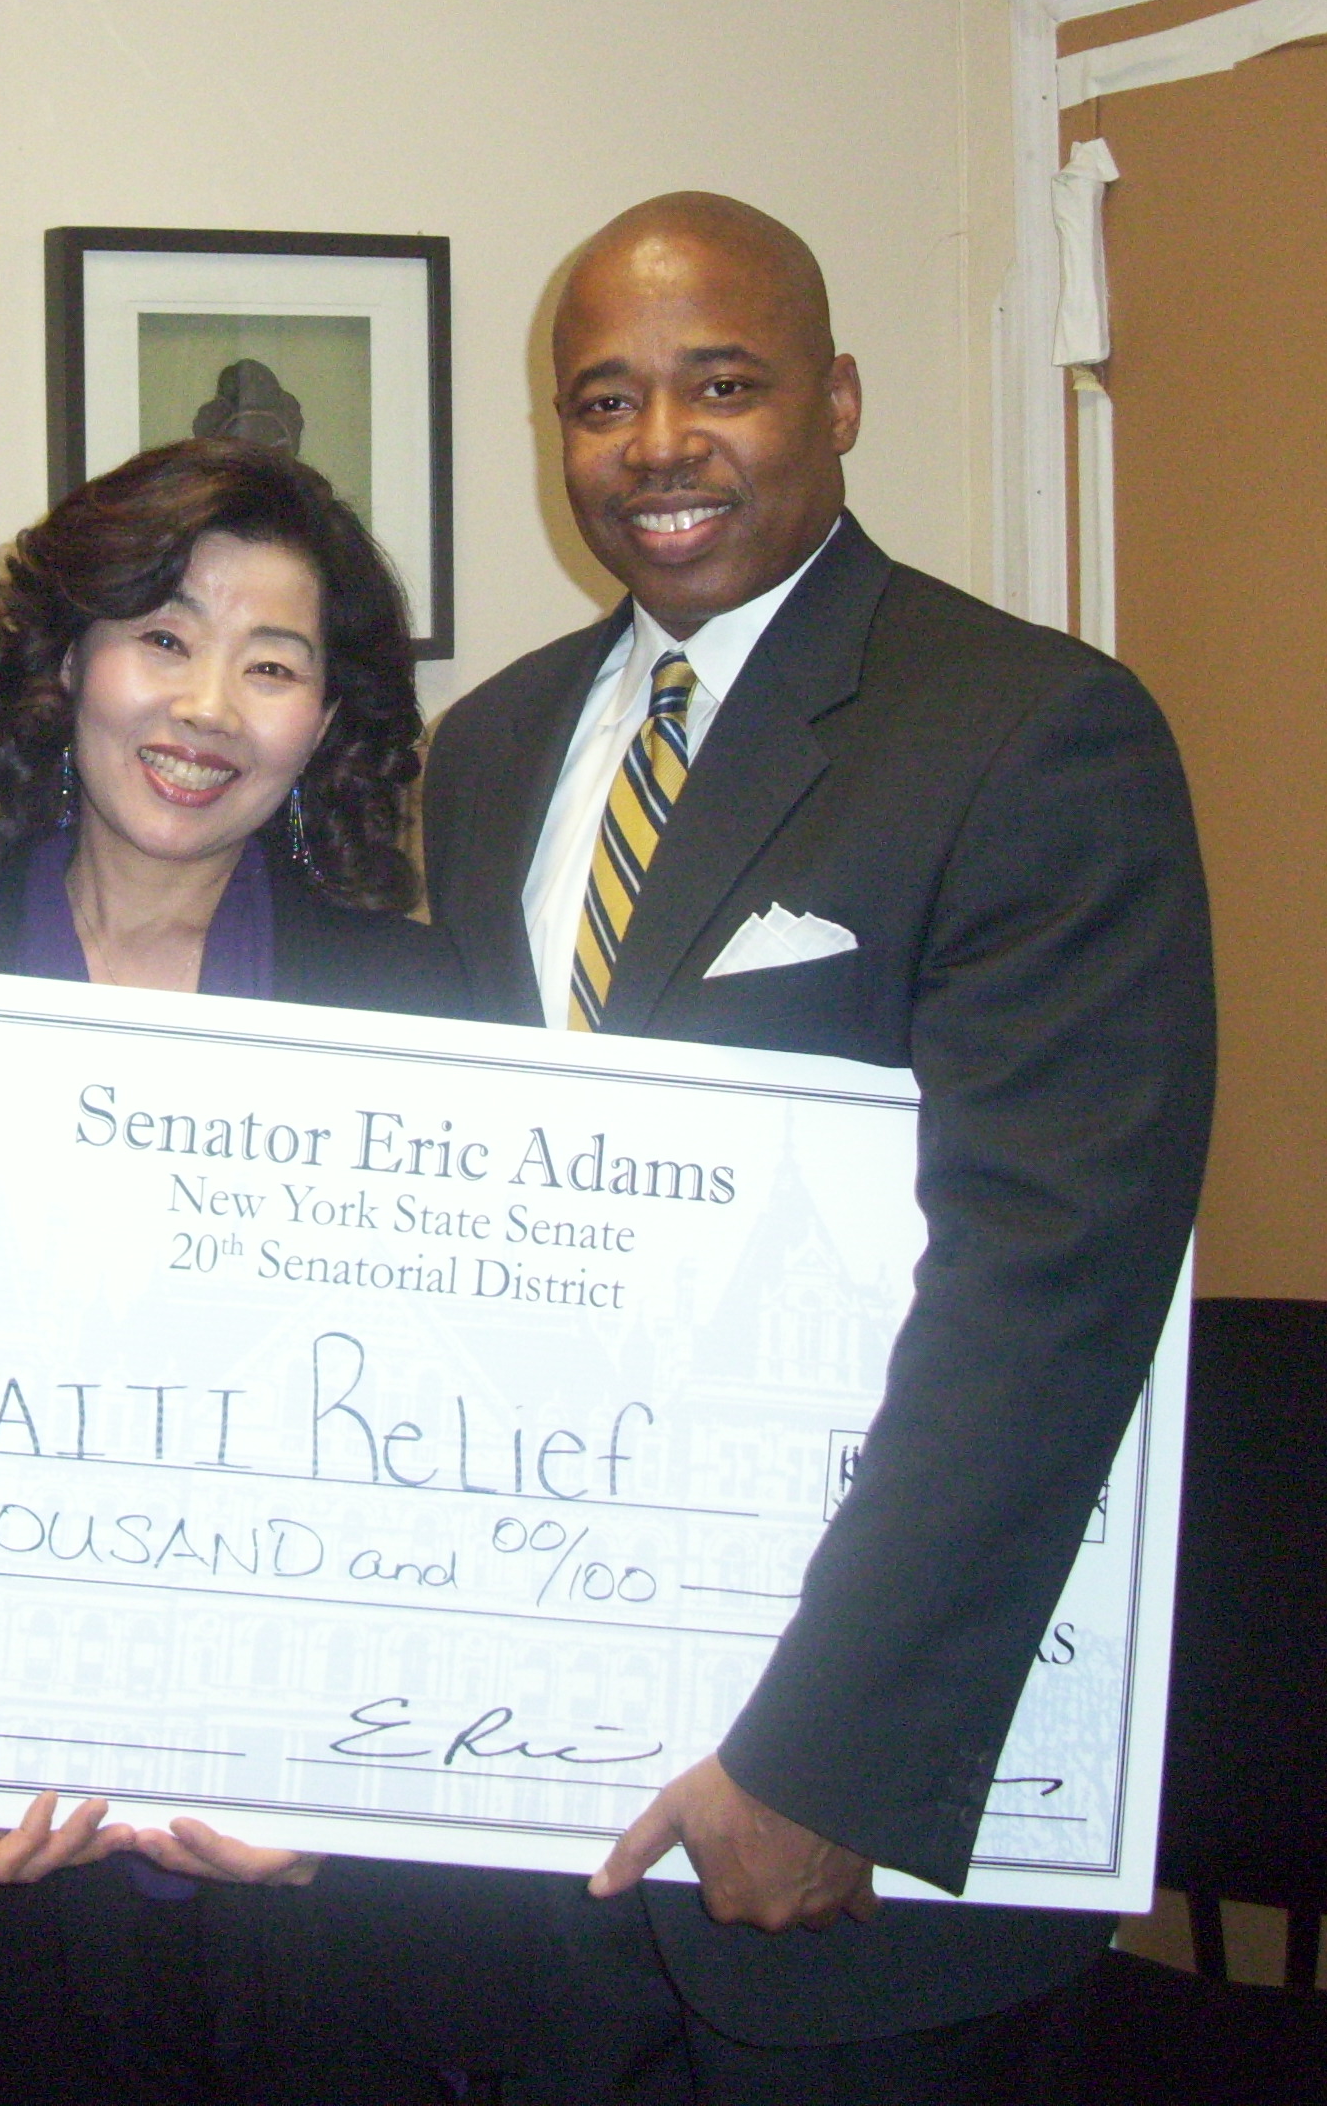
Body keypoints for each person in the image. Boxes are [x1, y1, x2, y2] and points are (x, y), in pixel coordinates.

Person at [420, 193, 1215, 2100]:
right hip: (524, 1805)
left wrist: (826, 1755)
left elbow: (1046, 1297)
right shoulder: (490, 750)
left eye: (725, 384)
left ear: (839, 398)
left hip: (853, 1854)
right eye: (601, 401)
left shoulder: (1030, 730)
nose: (658, 447)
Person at [0, 439, 484, 2101]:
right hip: (15, 1838)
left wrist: (359, 1785)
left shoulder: (427, 1017)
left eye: (271, 663)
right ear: (68, 663)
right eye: (162, 636)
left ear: (323, 722)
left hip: (338, 1869)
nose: (204, 705)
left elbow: (485, 1462)